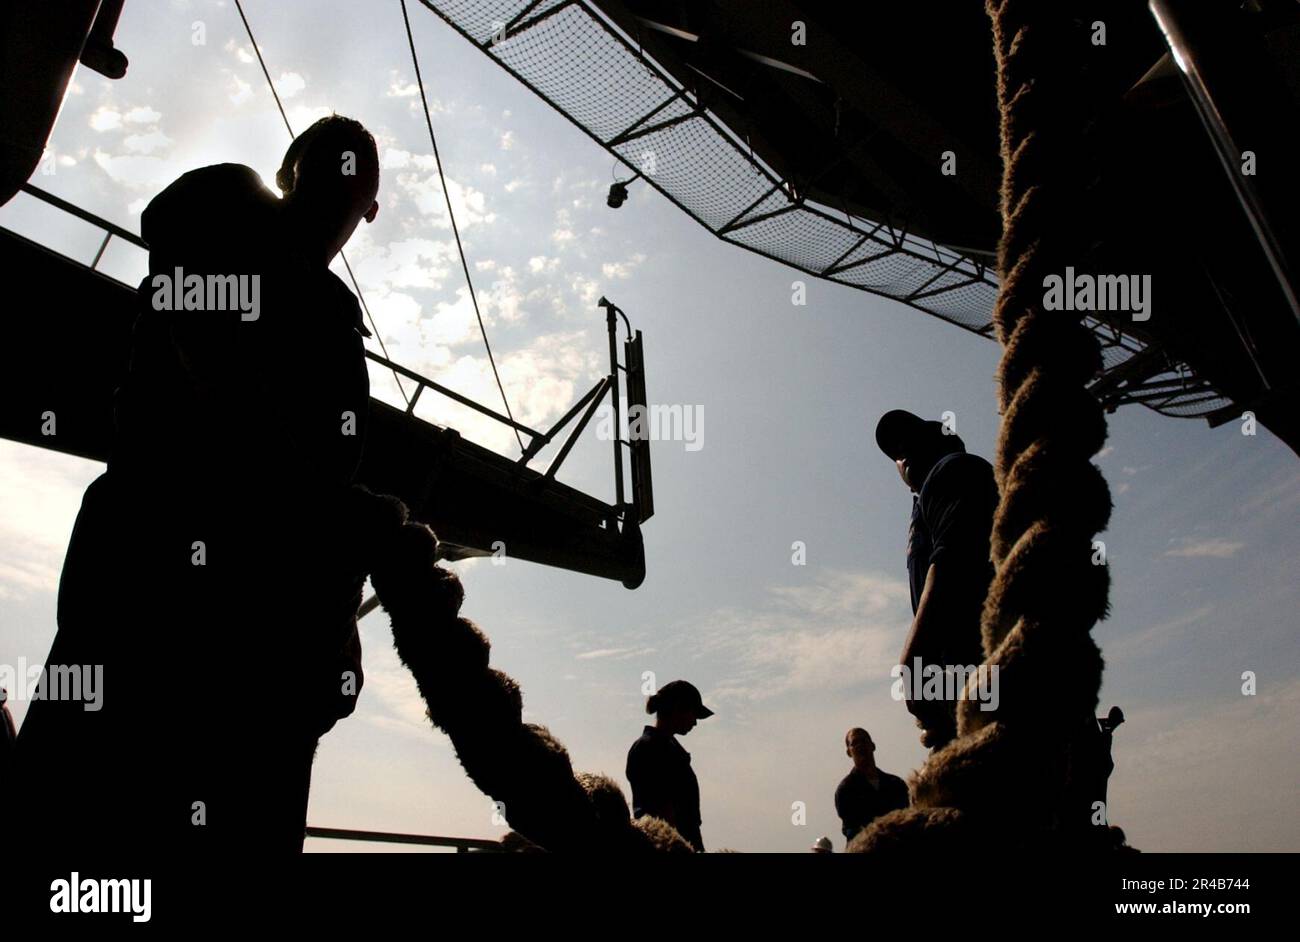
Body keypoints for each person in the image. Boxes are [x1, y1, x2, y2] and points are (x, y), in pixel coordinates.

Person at [17, 114, 380, 853]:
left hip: (229, 626)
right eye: (334, 175)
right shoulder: (226, 222)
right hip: (173, 597)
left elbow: (318, 473)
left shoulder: (313, 302)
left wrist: (332, 602)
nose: (340, 199)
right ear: (288, 176)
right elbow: (215, 358)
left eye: (354, 187)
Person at [875, 409, 998, 750]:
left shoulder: (953, 470)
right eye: (896, 452)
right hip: (964, 675)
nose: (902, 451)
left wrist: (913, 662)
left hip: (987, 665)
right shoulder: (926, 500)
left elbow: (955, 558)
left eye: (911, 437)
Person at [626, 680, 713, 851]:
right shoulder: (650, 748)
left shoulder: (668, 748)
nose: (695, 722)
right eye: (693, 713)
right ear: (677, 708)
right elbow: (661, 813)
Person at [834, 727, 909, 846]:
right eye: (854, 743)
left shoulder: (896, 784)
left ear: (873, 746)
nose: (860, 746)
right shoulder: (846, 790)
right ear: (849, 752)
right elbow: (852, 831)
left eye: (863, 741)